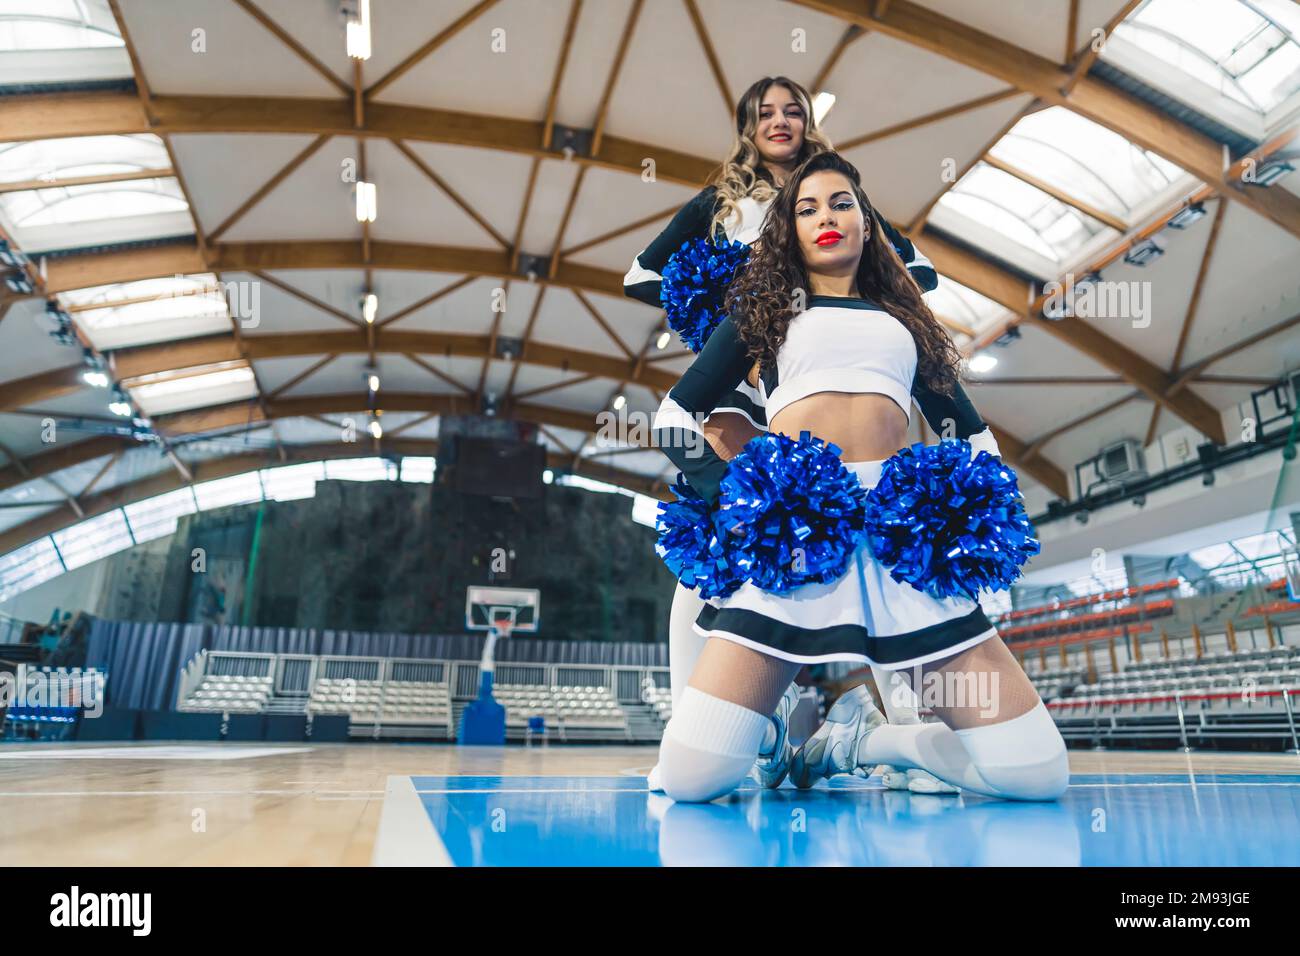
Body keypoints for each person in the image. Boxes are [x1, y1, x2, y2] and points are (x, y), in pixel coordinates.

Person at [649, 151, 1069, 804]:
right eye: (806, 207)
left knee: (1036, 775)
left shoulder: (907, 320)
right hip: (794, 545)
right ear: (787, 228)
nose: (825, 216)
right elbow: (675, 418)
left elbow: (973, 436)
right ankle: (777, 735)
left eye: (841, 203)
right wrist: (736, 494)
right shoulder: (761, 316)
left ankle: (860, 742)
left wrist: (968, 521)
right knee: (690, 779)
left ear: (867, 224)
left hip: (901, 545)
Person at [626, 77, 939, 791]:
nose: (781, 120)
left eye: (793, 110)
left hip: (824, 374)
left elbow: (915, 269)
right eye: (765, 112)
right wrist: (723, 315)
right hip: (749, 383)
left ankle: (905, 732)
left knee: (879, 549)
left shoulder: (834, 194)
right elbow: (641, 274)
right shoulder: (721, 201)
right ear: (746, 125)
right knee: (713, 558)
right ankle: (701, 728)